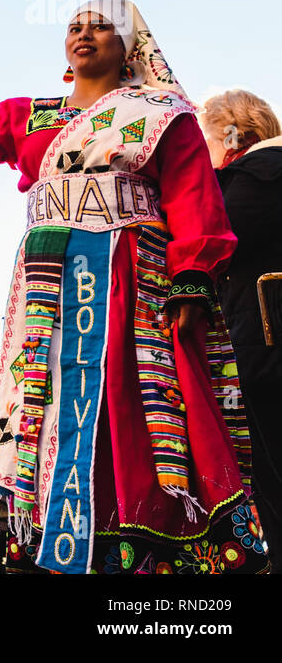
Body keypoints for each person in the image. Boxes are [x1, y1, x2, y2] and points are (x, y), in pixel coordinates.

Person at [0, 0, 268, 573]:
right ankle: (64, 536)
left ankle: (151, 539)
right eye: (75, 26)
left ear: (131, 50)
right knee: (49, 402)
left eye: (102, 27)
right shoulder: (31, 113)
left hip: (132, 276)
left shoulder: (160, 113)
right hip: (49, 286)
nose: (85, 34)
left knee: (131, 399)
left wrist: (192, 279)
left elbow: (193, 193)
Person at [200, 89, 282, 560]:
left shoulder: (251, 178)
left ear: (232, 135)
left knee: (272, 482)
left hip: (264, 354)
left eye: (206, 140)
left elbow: (211, 241)